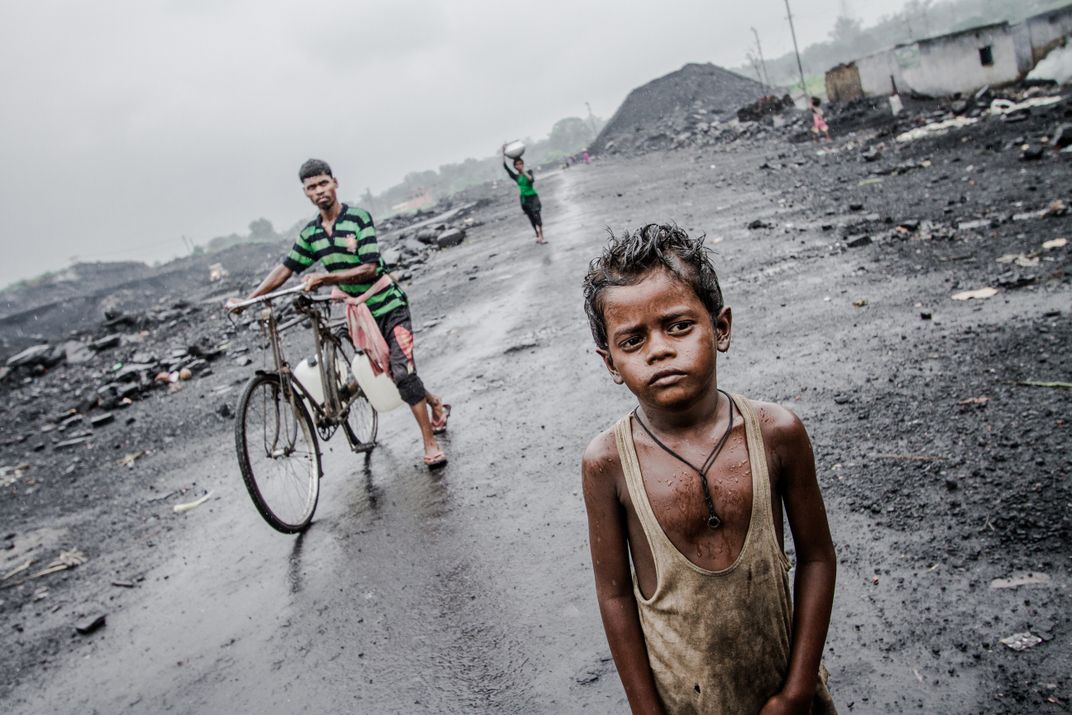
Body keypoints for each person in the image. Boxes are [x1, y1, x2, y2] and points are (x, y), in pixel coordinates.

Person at [580, 224, 837, 714]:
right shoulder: (608, 464)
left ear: (720, 328)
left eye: (678, 325)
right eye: (632, 340)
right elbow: (614, 597)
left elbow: (818, 557)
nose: (658, 349)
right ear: (610, 362)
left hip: (783, 693)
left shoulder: (777, 433)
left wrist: (798, 689)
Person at [227, 159, 450, 469]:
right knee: (392, 372)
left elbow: (369, 267)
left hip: (389, 307)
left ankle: (429, 442)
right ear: (305, 193)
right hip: (360, 315)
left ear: (335, 183)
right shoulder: (311, 234)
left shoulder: (358, 219)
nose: (319, 191)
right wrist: (248, 300)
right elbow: (286, 268)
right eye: (311, 188)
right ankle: (435, 402)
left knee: (402, 371)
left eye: (323, 184)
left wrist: (326, 278)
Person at [502, 145, 546, 244]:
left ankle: (542, 236)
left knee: (537, 216)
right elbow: (505, 166)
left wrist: (523, 172)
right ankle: (537, 235)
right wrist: (503, 152)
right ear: (515, 166)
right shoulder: (516, 177)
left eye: (521, 164)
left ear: (523, 164)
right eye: (517, 164)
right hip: (524, 200)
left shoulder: (529, 172)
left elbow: (531, 180)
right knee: (531, 218)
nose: (519, 165)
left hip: (533, 197)